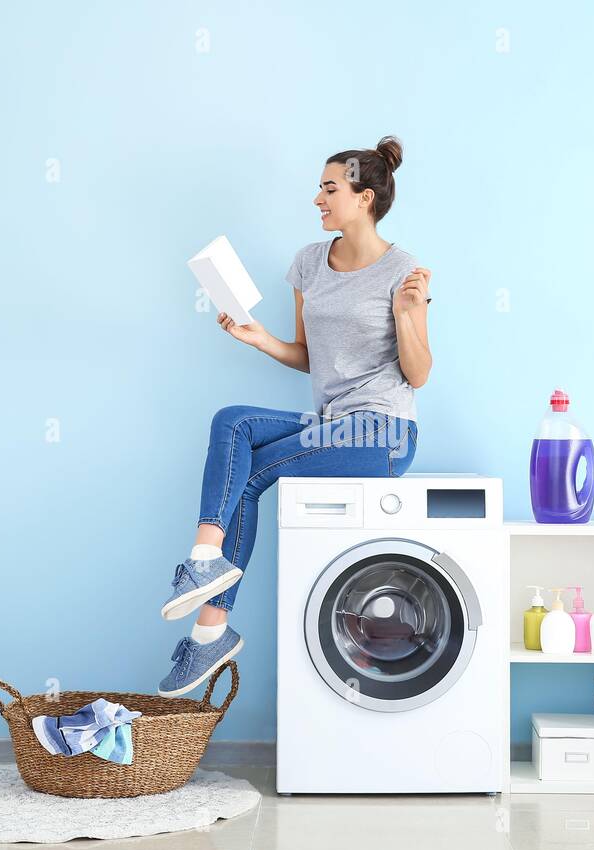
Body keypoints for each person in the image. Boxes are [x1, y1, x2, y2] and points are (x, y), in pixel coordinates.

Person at [157, 135, 432, 697]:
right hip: (331, 423)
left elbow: (420, 373)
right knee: (232, 420)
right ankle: (205, 558)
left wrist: (408, 315)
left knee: (254, 474)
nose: (318, 199)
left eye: (330, 188)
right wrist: (260, 339)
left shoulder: (403, 271)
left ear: (364, 198)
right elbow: (309, 356)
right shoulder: (309, 263)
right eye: (320, 188)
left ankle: (210, 632)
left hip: (383, 432)